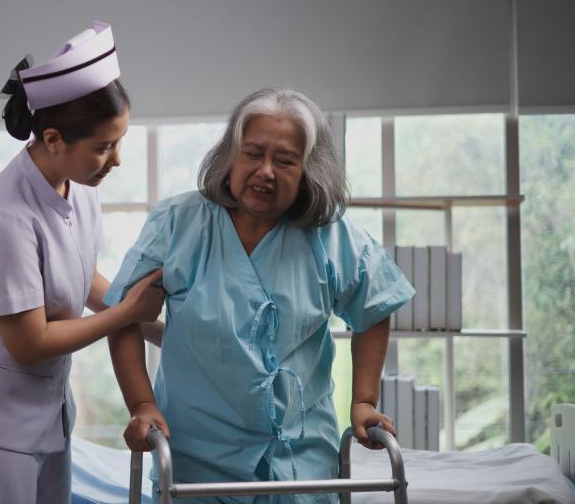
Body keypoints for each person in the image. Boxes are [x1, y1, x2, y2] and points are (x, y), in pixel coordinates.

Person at [105, 88, 415, 503]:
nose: (265, 171)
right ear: (230, 156)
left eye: (285, 160)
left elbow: (374, 305)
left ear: (309, 170)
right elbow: (124, 316)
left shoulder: (331, 236)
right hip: (198, 458)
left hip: (301, 462)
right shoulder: (177, 224)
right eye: (252, 154)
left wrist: (364, 400)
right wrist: (142, 403)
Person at [0, 21, 165, 504]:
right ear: (55, 139)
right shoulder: (6, 217)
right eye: (104, 146)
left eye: (118, 141)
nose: (116, 159)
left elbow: (80, 281)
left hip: (46, 415)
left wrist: (155, 322)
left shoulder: (78, 189)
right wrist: (127, 314)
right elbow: (30, 342)